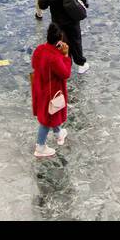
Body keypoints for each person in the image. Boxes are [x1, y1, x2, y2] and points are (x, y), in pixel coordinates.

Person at [31, 24, 72, 158]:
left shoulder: (40, 49)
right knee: (47, 119)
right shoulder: (55, 57)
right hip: (52, 92)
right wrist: (65, 56)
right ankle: (40, 146)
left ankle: (59, 133)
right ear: (59, 40)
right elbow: (65, 73)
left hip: (40, 87)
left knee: (52, 113)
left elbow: (34, 64)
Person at [40, 0, 89, 74]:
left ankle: (65, 65)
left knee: (61, 44)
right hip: (72, 20)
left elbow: (42, 5)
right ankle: (81, 64)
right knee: (75, 41)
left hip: (58, 22)